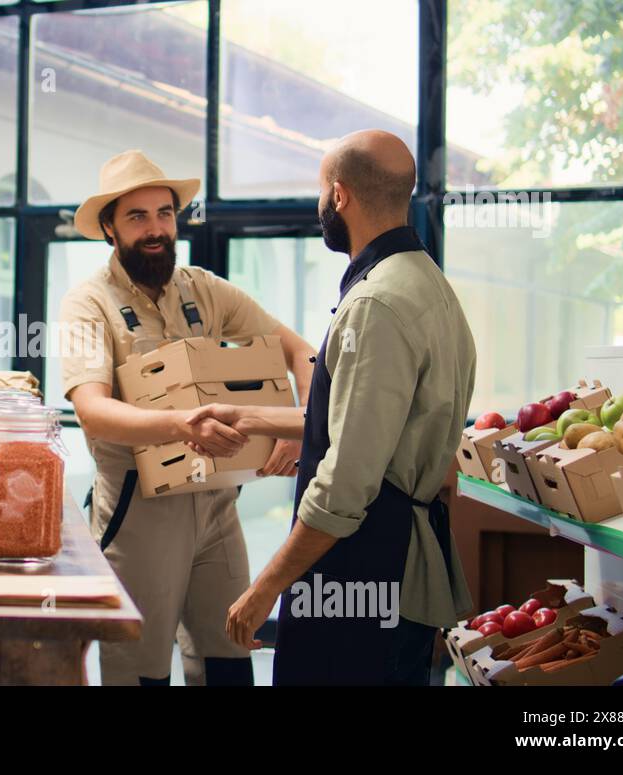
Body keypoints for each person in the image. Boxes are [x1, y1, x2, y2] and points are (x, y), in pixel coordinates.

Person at [191, 130, 476, 685]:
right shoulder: (427, 284)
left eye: (321, 190)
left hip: (365, 573)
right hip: (394, 570)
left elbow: (347, 482)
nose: (319, 203)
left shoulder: (375, 304)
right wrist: (248, 417)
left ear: (339, 196)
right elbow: (369, 425)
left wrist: (263, 588)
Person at [59, 150, 315, 686]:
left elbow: (302, 352)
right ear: (109, 227)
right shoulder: (87, 305)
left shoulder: (204, 289)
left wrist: (300, 426)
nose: (155, 230)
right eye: (137, 217)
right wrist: (183, 426)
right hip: (137, 510)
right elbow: (92, 411)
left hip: (218, 505)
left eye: (164, 214)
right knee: (141, 672)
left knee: (229, 658)